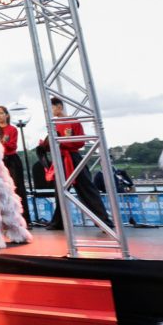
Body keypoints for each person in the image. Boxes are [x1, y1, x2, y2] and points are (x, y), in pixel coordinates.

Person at [41, 97, 113, 230]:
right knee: (60, 192)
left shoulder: (73, 122)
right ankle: (59, 222)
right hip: (60, 159)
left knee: (86, 189)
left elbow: (80, 142)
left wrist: (61, 141)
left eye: (51, 108)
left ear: (59, 107)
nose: (49, 111)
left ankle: (104, 221)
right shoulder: (54, 124)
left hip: (73, 158)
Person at [0, 106, 31, 226]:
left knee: (17, 189)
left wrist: (1, 142)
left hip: (12, 161)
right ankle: (2, 220)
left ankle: (23, 220)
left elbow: (12, 146)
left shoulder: (12, 129)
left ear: (7, 115)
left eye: (1, 113)